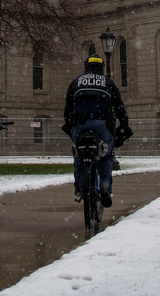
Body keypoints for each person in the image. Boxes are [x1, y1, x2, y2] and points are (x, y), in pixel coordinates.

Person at [62, 55, 132, 207]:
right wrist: (124, 126)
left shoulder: (76, 82)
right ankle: (105, 185)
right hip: (102, 126)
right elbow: (119, 107)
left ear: (86, 67)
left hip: (80, 125)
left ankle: (80, 187)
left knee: (79, 154)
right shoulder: (108, 82)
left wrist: (70, 126)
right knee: (106, 156)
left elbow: (67, 110)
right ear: (102, 67)